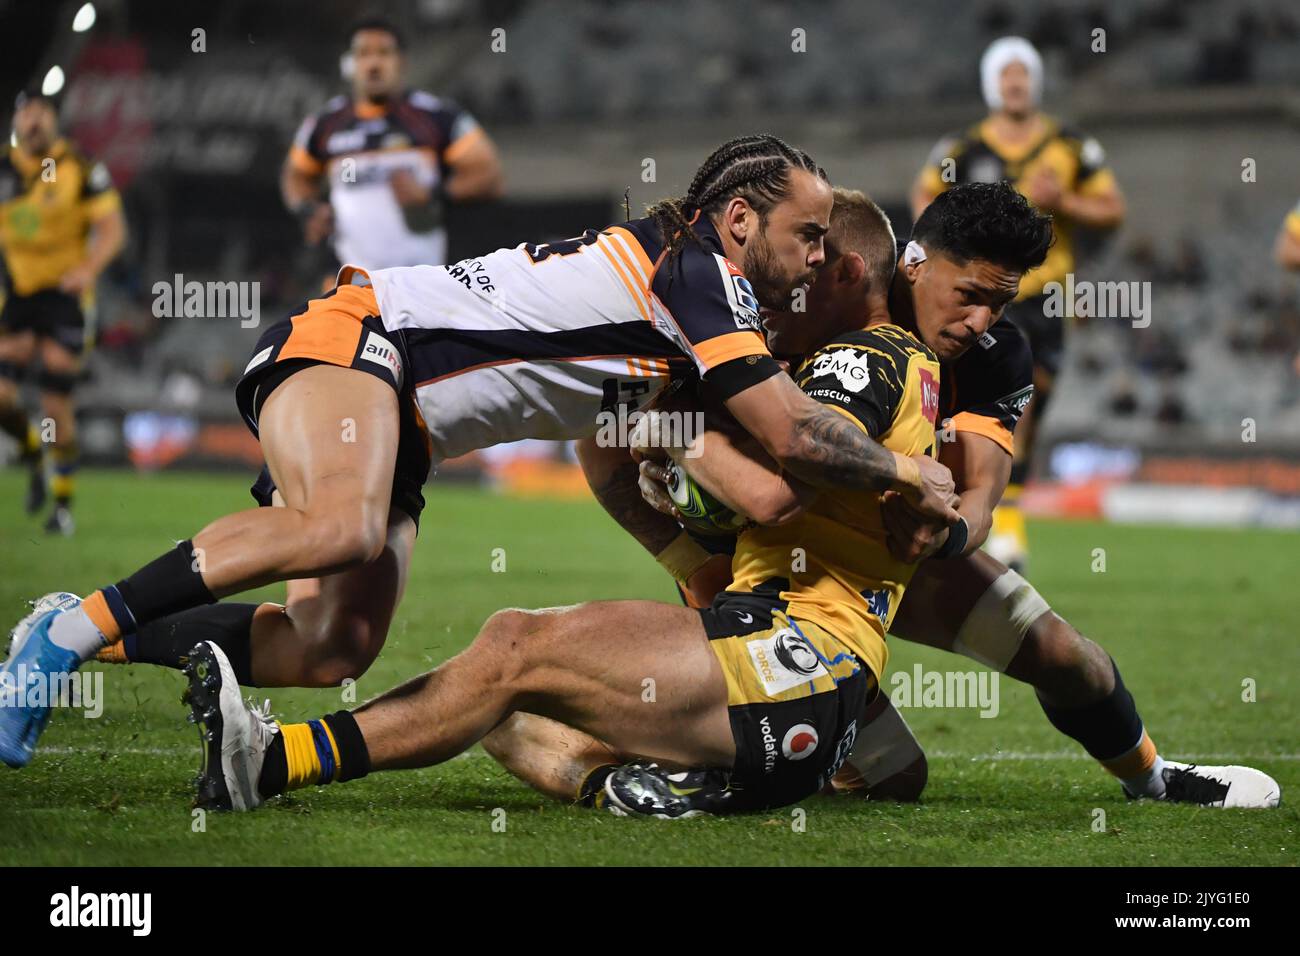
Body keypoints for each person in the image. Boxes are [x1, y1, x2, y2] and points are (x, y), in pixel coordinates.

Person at [1, 134, 957, 769]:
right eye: (807, 233)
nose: (818, 255)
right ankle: (70, 630)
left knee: (329, 647)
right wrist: (909, 471)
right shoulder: (701, 275)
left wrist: (691, 528)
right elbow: (791, 436)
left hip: (404, 423)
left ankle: (97, 635)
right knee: (341, 527)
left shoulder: (678, 318)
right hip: (365, 337)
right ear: (741, 219)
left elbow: (741, 484)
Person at [484, 184, 1279, 814]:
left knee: (1064, 654)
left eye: (1000, 302)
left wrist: (945, 534)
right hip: (764, 560)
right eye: (969, 294)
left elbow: (979, 496)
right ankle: (659, 761)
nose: (979, 321)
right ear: (910, 263)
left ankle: (1156, 778)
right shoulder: (802, 290)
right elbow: (602, 435)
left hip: (889, 554)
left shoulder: (997, 354)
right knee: (896, 777)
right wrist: (690, 554)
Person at [182, 211, 944, 814]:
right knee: (493, 704)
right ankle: (623, 790)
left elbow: (780, 489)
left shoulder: (857, 358)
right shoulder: (820, 372)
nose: (770, 306)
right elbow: (604, 452)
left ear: (843, 274)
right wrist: (688, 534)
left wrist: (666, 427)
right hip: (806, 693)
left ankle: (274, 761)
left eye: (793, 281)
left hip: (782, 664)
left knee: (512, 648)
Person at [911, 36, 1126, 572]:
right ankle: (997, 524)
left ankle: (995, 515)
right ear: (991, 83)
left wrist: (1065, 202)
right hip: (984, 297)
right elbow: (923, 200)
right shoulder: (962, 150)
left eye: (1023, 74)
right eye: (1006, 75)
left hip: (1046, 296)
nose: (1015, 83)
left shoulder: (1071, 146)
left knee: (1031, 403)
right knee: (1008, 402)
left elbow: (1113, 208)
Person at [281, 15, 504, 283]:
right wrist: (308, 209)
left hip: (423, 279)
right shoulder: (326, 123)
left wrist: (432, 193)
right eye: (363, 54)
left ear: (402, 62)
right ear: (350, 64)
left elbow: (489, 175)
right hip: (348, 280)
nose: (374, 64)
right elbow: (295, 174)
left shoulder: (435, 117)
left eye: (384, 53)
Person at [0, 88, 125, 535]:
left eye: (41, 113)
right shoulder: (4, 168)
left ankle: (63, 504)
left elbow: (111, 229)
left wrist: (88, 268)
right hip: (16, 294)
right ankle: (34, 456)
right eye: (26, 113)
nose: (33, 121)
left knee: (55, 401)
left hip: (65, 298)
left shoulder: (81, 167)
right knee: (2, 399)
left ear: (54, 120)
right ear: (16, 122)